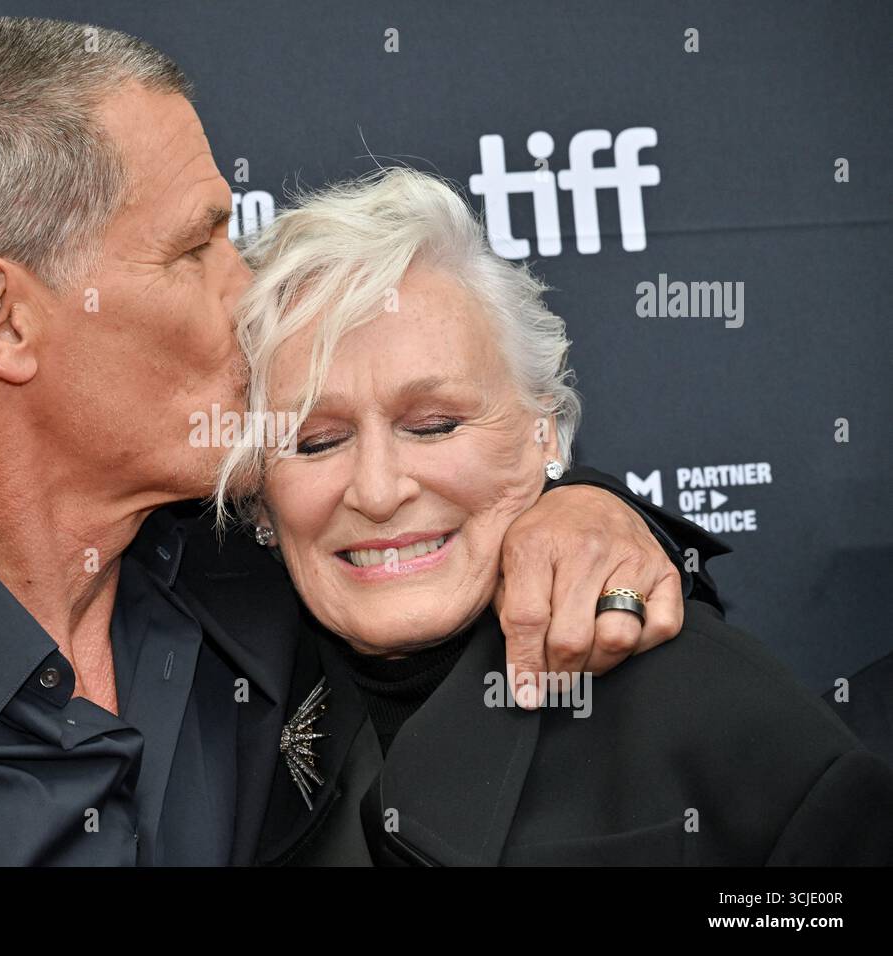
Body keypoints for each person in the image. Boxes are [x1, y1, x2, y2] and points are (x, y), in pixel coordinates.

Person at [0, 18, 719, 866]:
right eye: (197, 250)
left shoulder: (275, 545)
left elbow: (466, 528)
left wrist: (588, 512)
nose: (252, 296)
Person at [217, 167, 893, 865]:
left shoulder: (722, 716)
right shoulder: (207, 709)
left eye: (436, 426)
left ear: (543, 432)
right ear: (257, 493)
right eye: (318, 441)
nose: (380, 491)